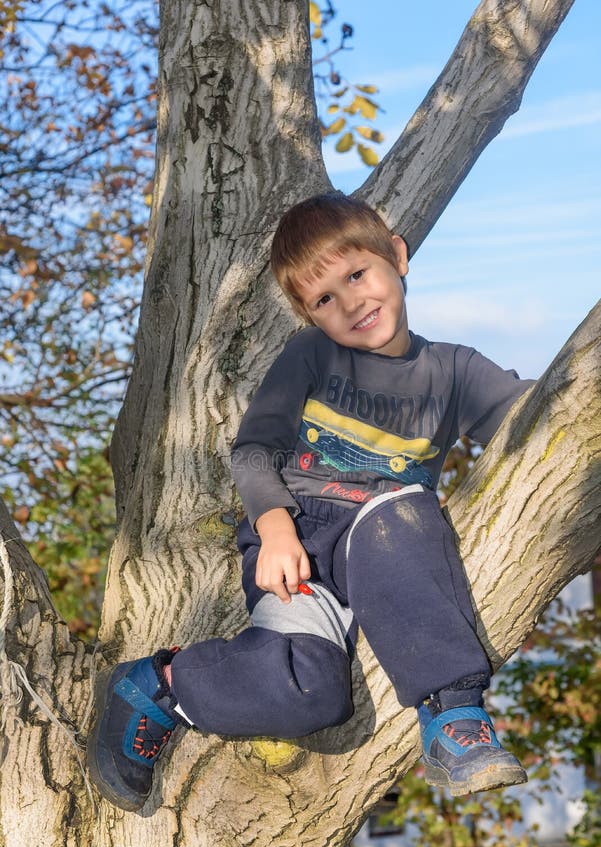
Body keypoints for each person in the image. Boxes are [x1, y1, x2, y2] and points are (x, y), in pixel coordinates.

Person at [87, 193, 533, 812]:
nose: (351, 302)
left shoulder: (453, 370)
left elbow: (535, 415)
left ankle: (453, 715)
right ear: (306, 314)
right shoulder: (312, 356)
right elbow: (252, 449)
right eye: (324, 298)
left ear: (397, 256)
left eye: (358, 275)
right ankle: (160, 685)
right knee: (312, 694)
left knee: (405, 510)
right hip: (298, 537)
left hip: (385, 540)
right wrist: (272, 530)